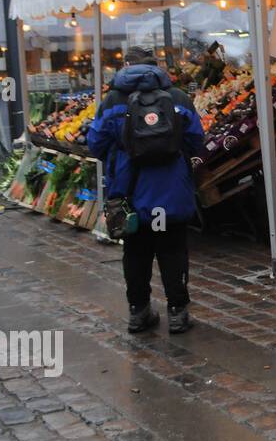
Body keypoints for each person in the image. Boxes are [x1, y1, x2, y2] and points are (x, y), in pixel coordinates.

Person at [87, 46, 204, 334]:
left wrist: (123, 153)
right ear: (157, 69)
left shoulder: (112, 100)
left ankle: (138, 312)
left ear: (127, 68)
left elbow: (96, 144)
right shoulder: (177, 97)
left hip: (131, 193)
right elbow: (196, 138)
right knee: (172, 249)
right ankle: (177, 313)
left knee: (136, 252)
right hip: (170, 191)